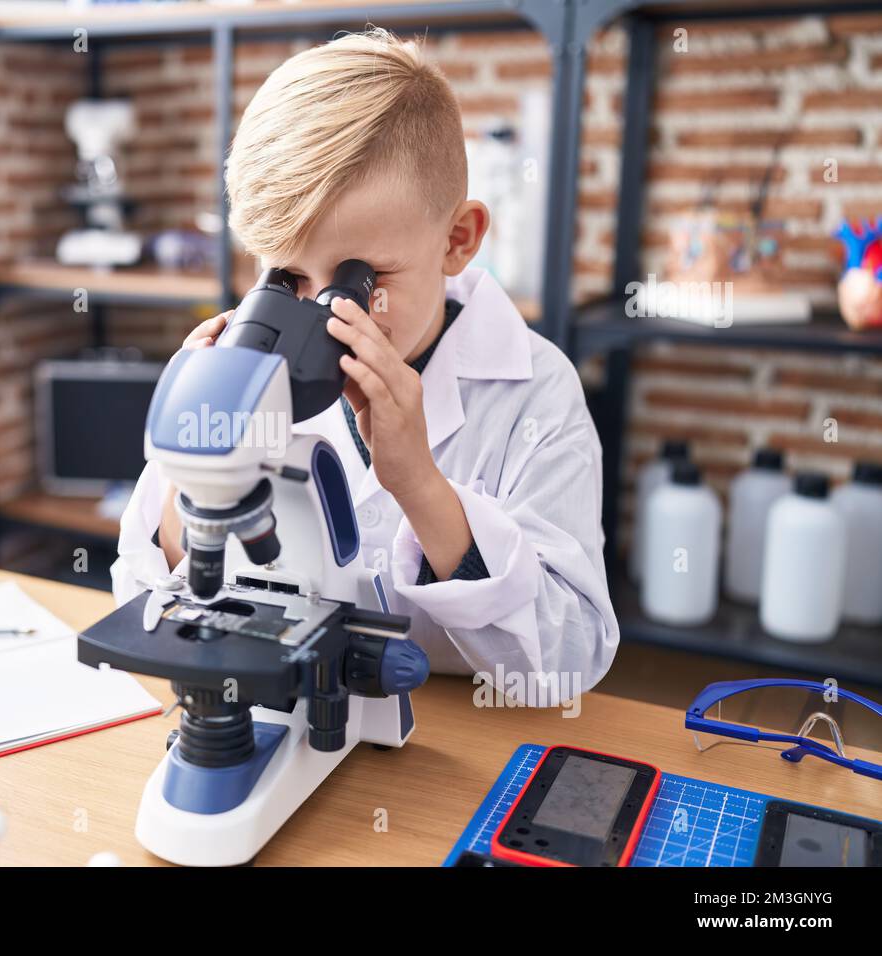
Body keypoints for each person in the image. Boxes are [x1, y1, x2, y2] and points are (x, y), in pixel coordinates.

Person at [110, 28, 618, 700]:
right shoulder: (251, 375)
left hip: (469, 735)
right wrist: (195, 462)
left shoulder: (536, 391)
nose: (322, 314)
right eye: (285, 275)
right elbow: (146, 601)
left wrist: (420, 485)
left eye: (359, 279)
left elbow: (569, 659)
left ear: (457, 240)